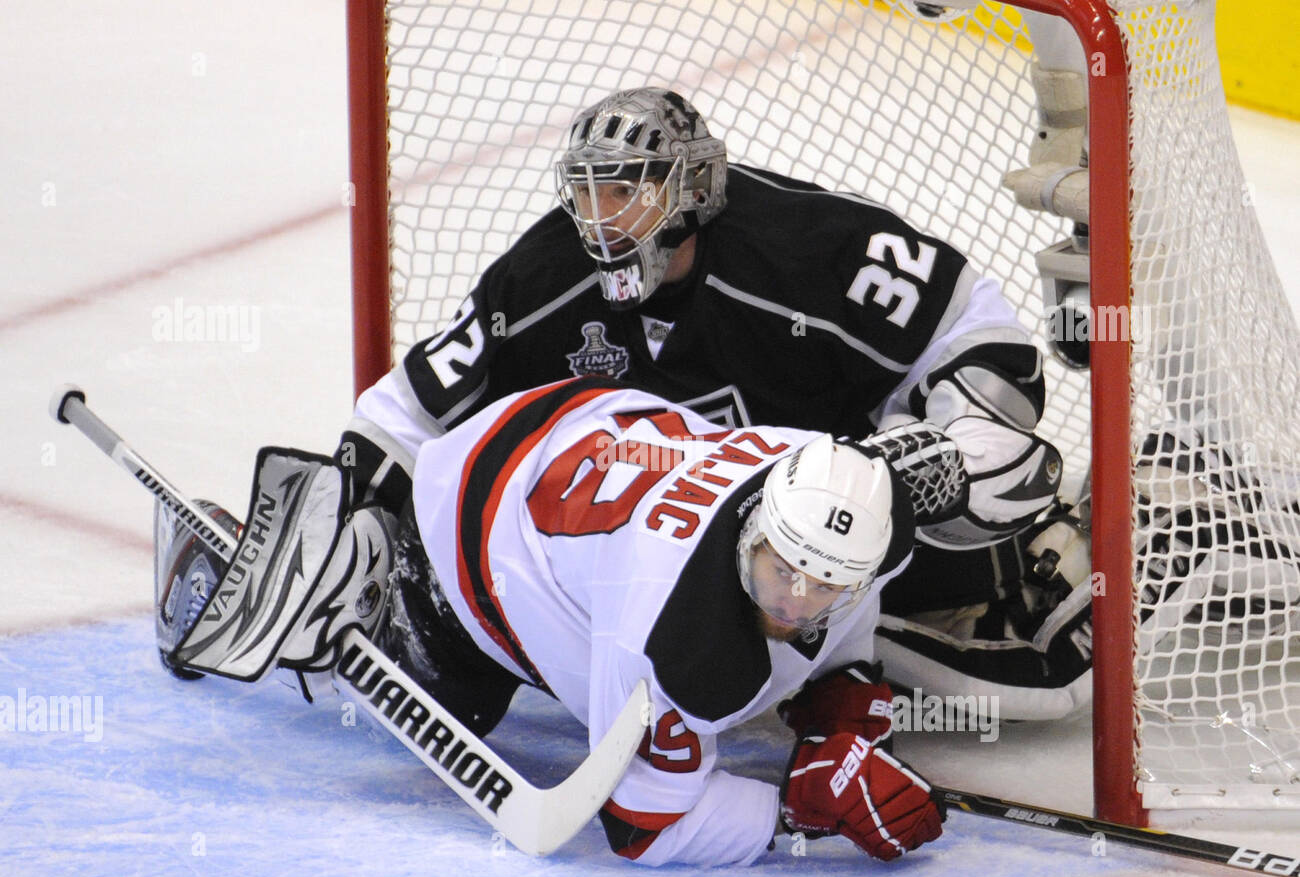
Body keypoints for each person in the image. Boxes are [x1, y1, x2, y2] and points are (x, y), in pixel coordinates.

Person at [337, 87, 1093, 723]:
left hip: (833, 553)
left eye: (628, 190)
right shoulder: (541, 279)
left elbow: (975, 327)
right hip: (691, 576)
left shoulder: (806, 248)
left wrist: (944, 450)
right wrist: (343, 513)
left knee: (1012, 693)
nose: (600, 218)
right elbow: (405, 413)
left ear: (692, 187)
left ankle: (1059, 544)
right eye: (587, 190)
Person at [156, 377, 949, 866]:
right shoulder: (674, 644)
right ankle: (351, 581)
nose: (796, 604)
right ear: (754, 532)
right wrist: (799, 812)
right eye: (783, 572)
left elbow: (837, 592)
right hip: (474, 527)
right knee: (455, 702)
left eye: (826, 586)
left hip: (583, 423)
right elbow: (645, 832)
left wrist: (838, 715)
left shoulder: (834, 496)